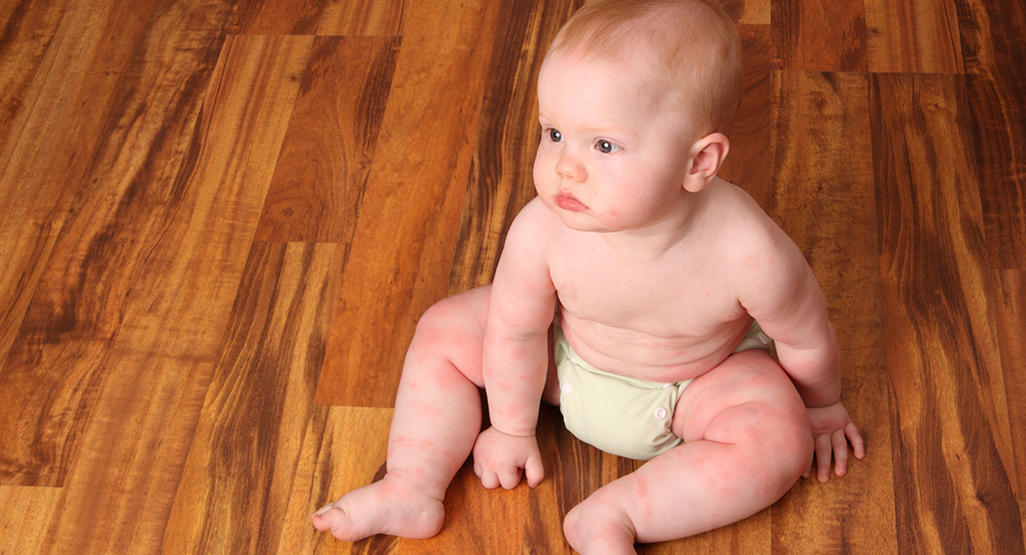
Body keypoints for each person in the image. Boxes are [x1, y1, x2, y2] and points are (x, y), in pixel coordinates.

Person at [311, 0, 865, 551]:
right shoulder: (543, 231)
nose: (565, 167)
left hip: (696, 383)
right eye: (553, 133)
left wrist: (820, 407)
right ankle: (412, 482)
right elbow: (516, 330)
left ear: (698, 163)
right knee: (444, 329)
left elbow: (803, 336)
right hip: (563, 362)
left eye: (604, 145)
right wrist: (509, 426)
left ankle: (616, 515)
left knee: (778, 438)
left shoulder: (749, 251)